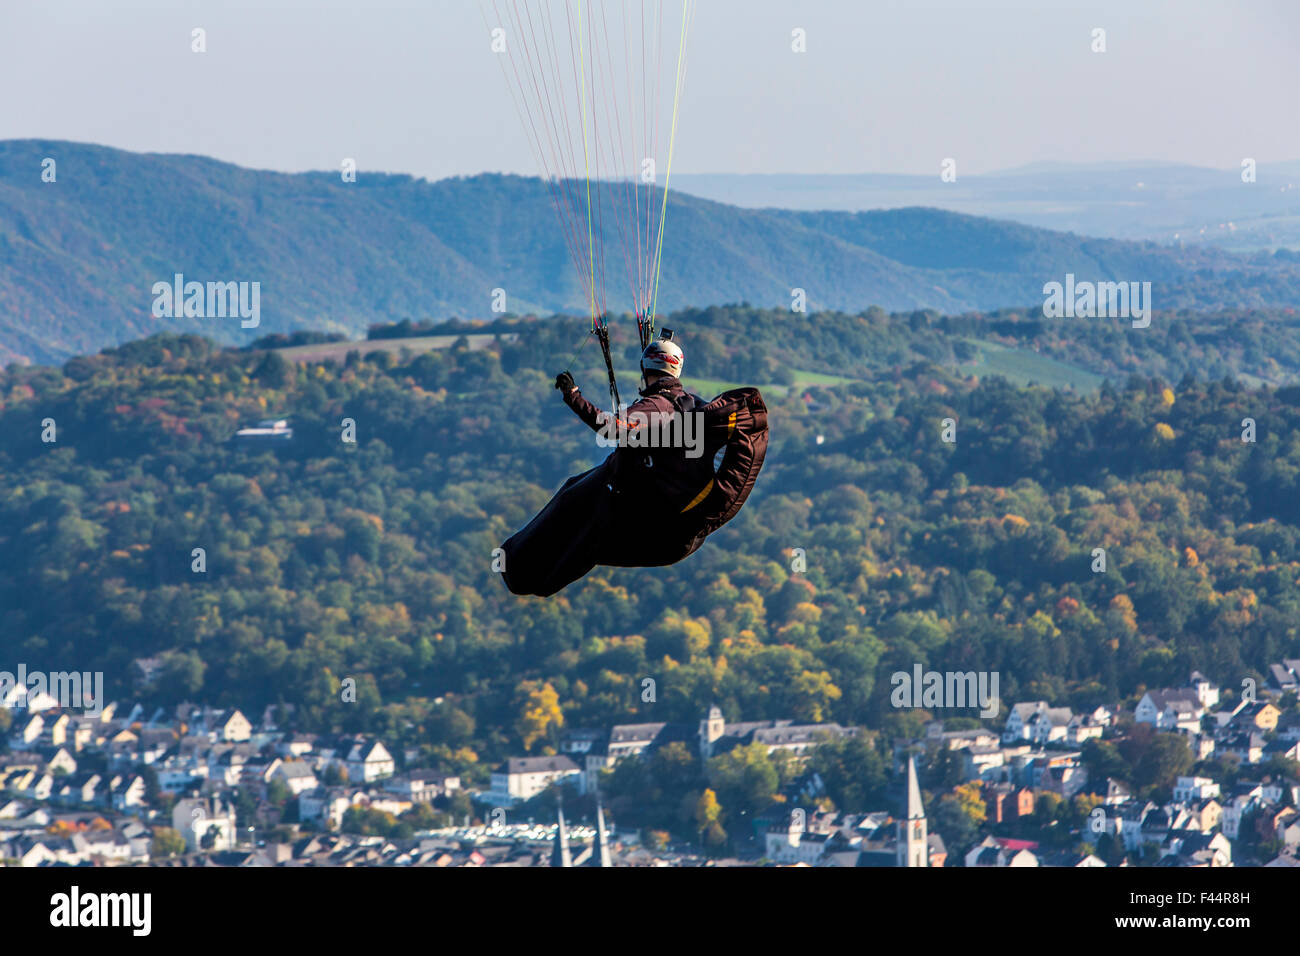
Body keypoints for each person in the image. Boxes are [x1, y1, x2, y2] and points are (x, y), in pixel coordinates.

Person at [554, 336, 712, 511]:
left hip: (632, 495)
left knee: (568, 499)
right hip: (662, 496)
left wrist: (573, 396)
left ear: (646, 367)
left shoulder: (657, 405)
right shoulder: (687, 401)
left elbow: (610, 428)